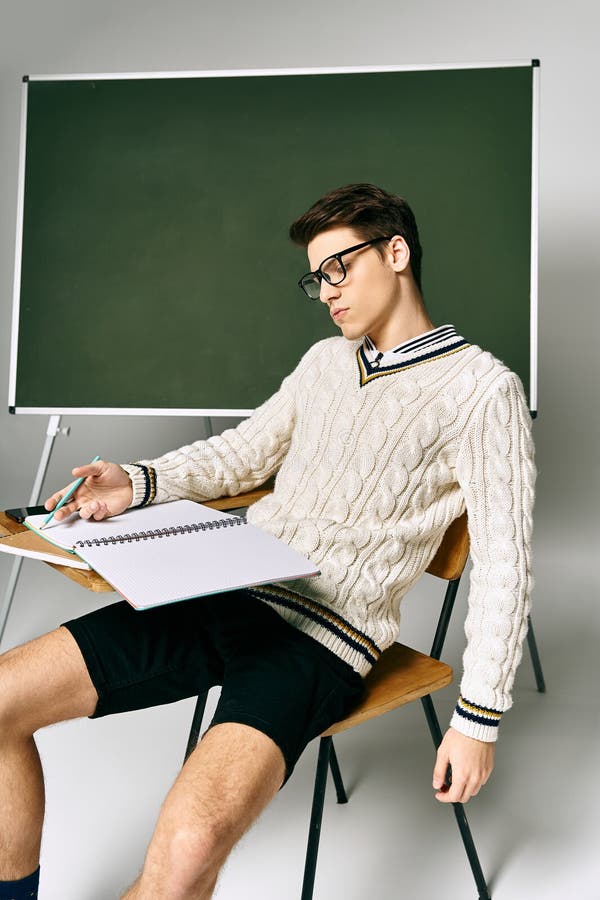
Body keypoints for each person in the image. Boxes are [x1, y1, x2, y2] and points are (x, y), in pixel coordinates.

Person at [0, 183, 535, 900]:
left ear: (397, 252)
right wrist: (134, 479)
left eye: (338, 269)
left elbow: (506, 562)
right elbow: (241, 455)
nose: (325, 292)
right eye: (316, 278)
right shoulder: (323, 364)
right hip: (222, 588)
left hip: (322, 637)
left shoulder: (482, 391)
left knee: (187, 848)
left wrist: (480, 717)